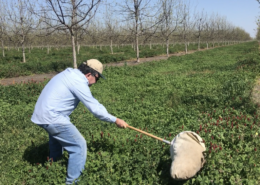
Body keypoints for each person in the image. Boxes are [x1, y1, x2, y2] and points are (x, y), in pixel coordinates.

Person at [31, 59, 129, 184]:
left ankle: (53, 165)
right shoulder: (78, 82)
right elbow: (95, 108)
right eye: (97, 79)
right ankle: (73, 182)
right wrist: (116, 120)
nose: (95, 83)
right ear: (90, 75)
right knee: (79, 146)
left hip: (41, 115)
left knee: (56, 139)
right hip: (52, 117)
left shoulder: (69, 74)